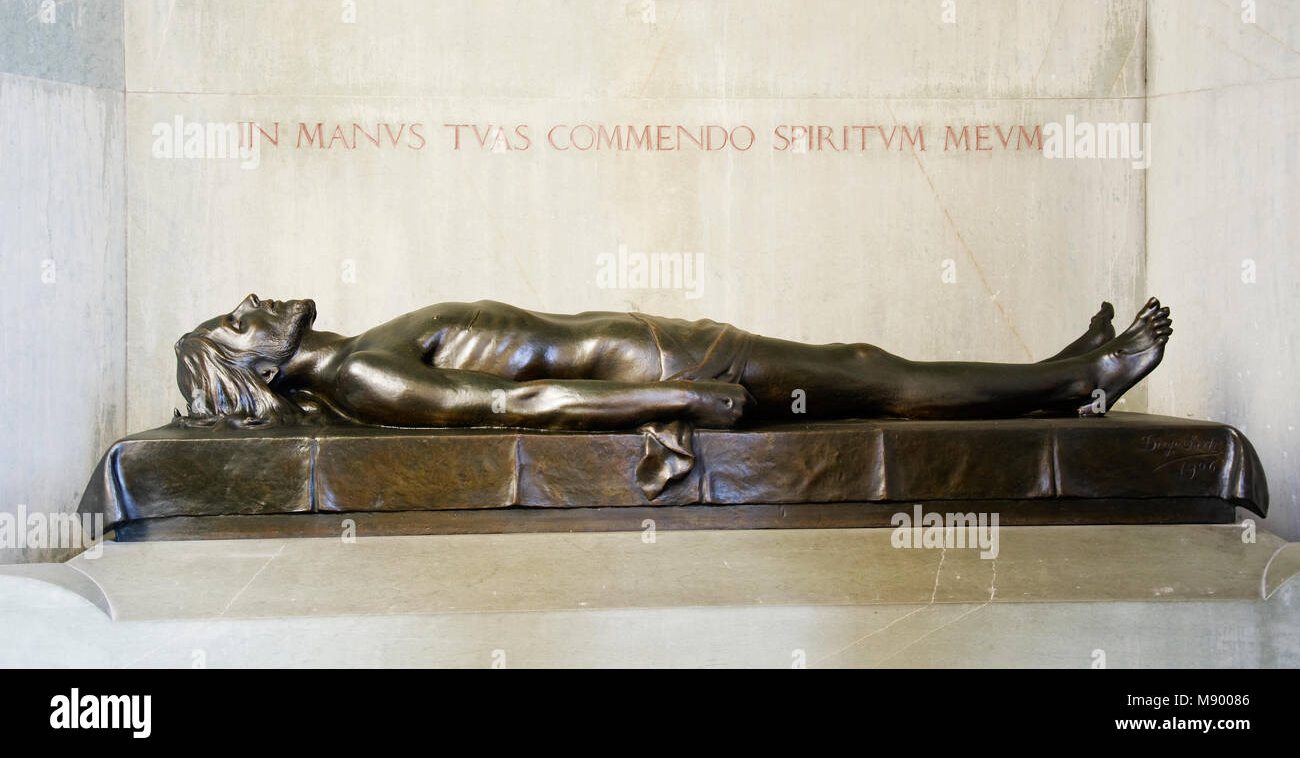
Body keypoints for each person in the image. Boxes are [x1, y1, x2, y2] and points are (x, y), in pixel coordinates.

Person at [175, 295, 1170, 429]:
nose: (256, 300)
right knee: (872, 377)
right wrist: (677, 398)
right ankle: (1082, 382)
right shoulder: (363, 380)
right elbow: (517, 406)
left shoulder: (362, 349)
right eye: (237, 315)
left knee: (858, 361)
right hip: (659, 362)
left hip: (653, 344)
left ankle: (1053, 370)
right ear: (250, 360)